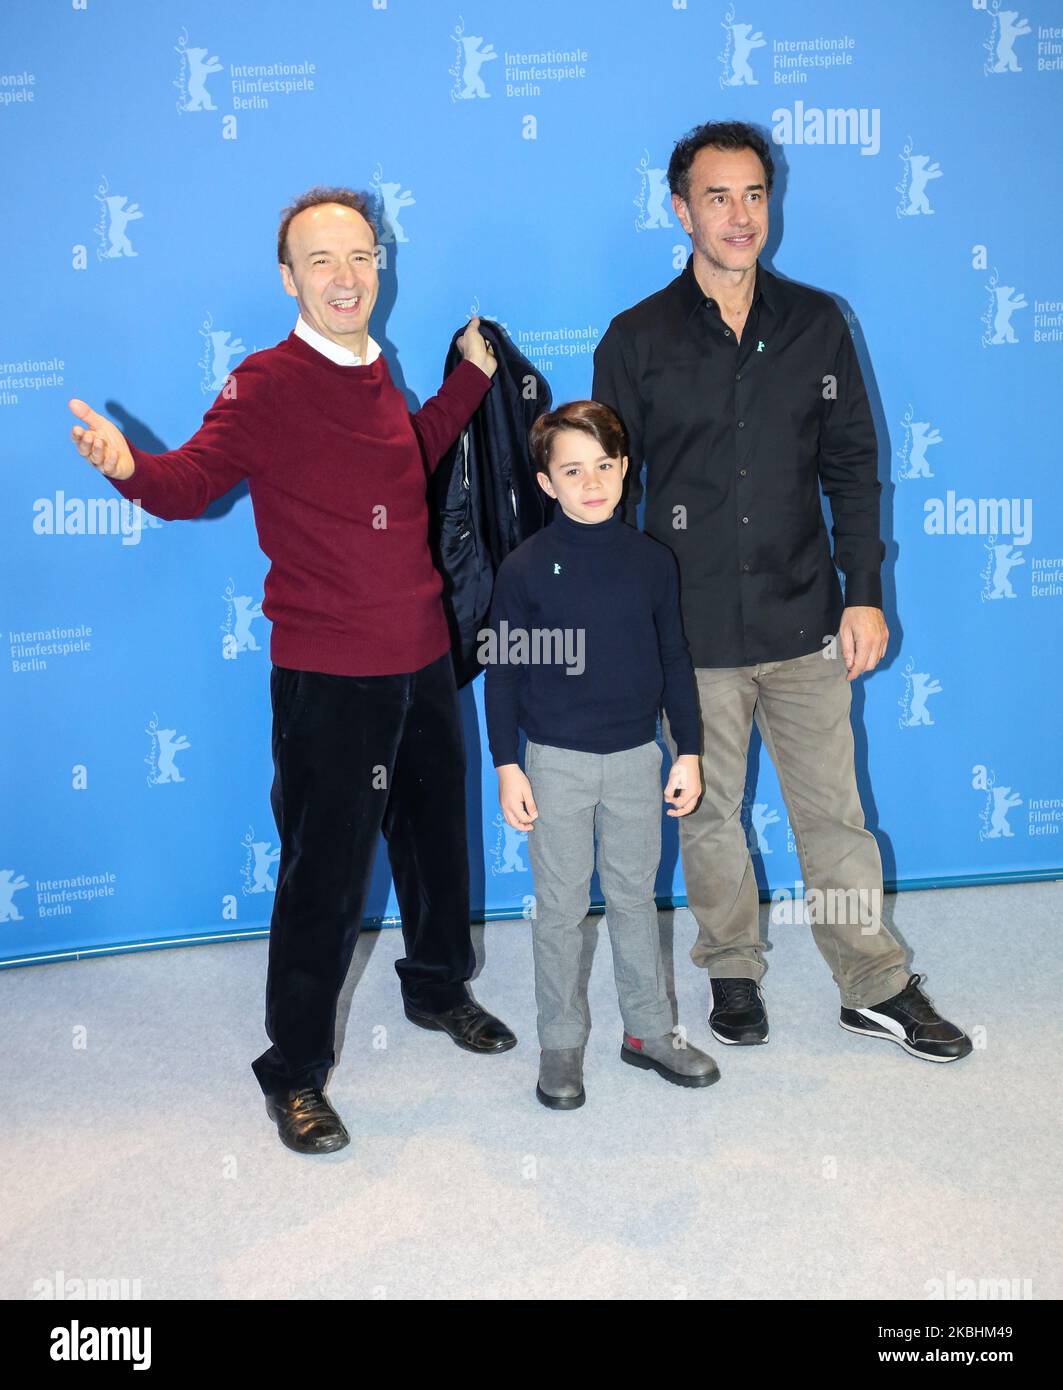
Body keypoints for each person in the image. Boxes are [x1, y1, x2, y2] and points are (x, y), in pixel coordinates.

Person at [67, 186, 518, 1156]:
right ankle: (295, 1073)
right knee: (326, 880)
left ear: (379, 266)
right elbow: (188, 486)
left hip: (424, 656)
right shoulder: (265, 382)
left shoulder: (375, 370)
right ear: (288, 278)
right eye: (322, 261)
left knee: (438, 846)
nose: (346, 276)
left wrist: (469, 386)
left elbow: (408, 459)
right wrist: (128, 467)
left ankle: (438, 989)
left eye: (360, 256)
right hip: (331, 681)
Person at [593, 123, 971, 1063]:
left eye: (754, 194)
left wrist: (864, 590)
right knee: (709, 814)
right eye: (717, 196)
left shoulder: (816, 323)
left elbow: (851, 466)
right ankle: (730, 968)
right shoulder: (634, 339)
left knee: (833, 814)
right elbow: (607, 491)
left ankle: (873, 983)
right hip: (691, 629)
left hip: (806, 619)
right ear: (679, 210)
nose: (739, 215)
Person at [484, 400, 720, 1108]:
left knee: (632, 901)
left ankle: (647, 1032)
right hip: (553, 762)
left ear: (623, 471)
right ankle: (559, 1043)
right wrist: (506, 763)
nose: (591, 482)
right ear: (546, 482)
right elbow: (502, 672)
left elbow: (675, 659)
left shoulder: (652, 562)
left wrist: (689, 751)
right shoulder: (524, 569)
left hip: (635, 761)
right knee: (558, 910)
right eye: (571, 470)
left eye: (603, 467)